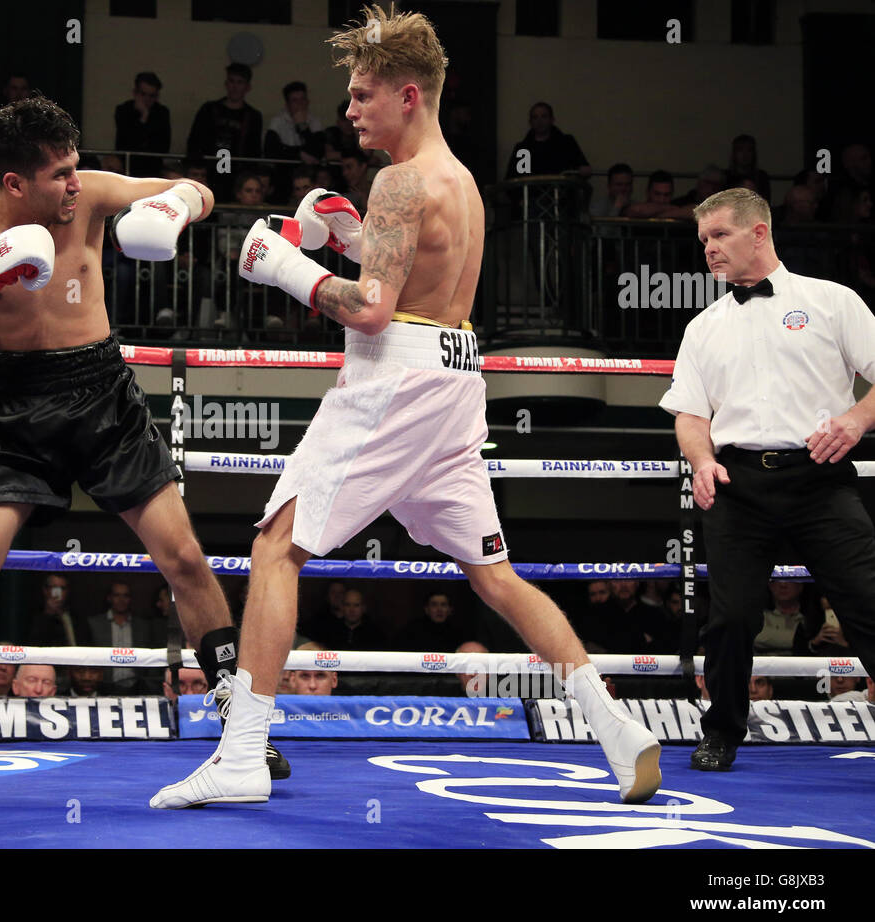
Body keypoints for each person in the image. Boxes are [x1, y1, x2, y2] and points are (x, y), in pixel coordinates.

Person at [153, 5, 660, 809]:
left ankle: (243, 753)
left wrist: (282, 265)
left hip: (395, 380)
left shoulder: (399, 179)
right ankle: (615, 726)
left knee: (277, 546)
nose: (348, 109)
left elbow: (375, 311)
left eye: (362, 94)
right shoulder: (460, 184)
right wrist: (351, 237)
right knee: (493, 576)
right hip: (457, 381)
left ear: (409, 96)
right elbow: (418, 276)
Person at [0, 93, 288, 804]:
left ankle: (241, 728)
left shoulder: (89, 198)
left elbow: (203, 192)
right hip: (12, 406)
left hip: (103, 395)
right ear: (14, 183)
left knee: (184, 557)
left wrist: (182, 201)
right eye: (58, 173)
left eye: (74, 168)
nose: (74, 182)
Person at [659, 186, 875, 771]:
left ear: (759, 232)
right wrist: (701, 461)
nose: (709, 249)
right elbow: (690, 414)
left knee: (866, 601)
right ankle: (723, 730)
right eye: (703, 239)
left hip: (820, 475)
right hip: (738, 484)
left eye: (720, 235)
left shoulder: (831, 302)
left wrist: (856, 419)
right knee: (729, 617)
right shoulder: (704, 327)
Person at [185, 63, 263, 199]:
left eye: (239, 82)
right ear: (226, 83)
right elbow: (194, 141)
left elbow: (254, 151)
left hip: (238, 176)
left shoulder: (253, 116)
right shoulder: (208, 109)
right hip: (208, 173)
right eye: (232, 81)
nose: (235, 87)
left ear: (247, 87)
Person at [503, 100, 589, 178]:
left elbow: (583, 170)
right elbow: (515, 179)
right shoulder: (523, 149)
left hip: (562, 193)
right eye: (535, 117)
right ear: (530, 122)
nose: (539, 121)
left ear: (552, 120)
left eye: (544, 116)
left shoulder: (566, 143)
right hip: (532, 195)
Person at [114, 71, 171, 178]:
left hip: (153, 167)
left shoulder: (162, 113)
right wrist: (143, 119)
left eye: (152, 96)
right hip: (127, 165)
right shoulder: (123, 110)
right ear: (135, 93)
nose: (147, 99)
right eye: (143, 94)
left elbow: (163, 146)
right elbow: (126, 141)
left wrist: (145, 116)